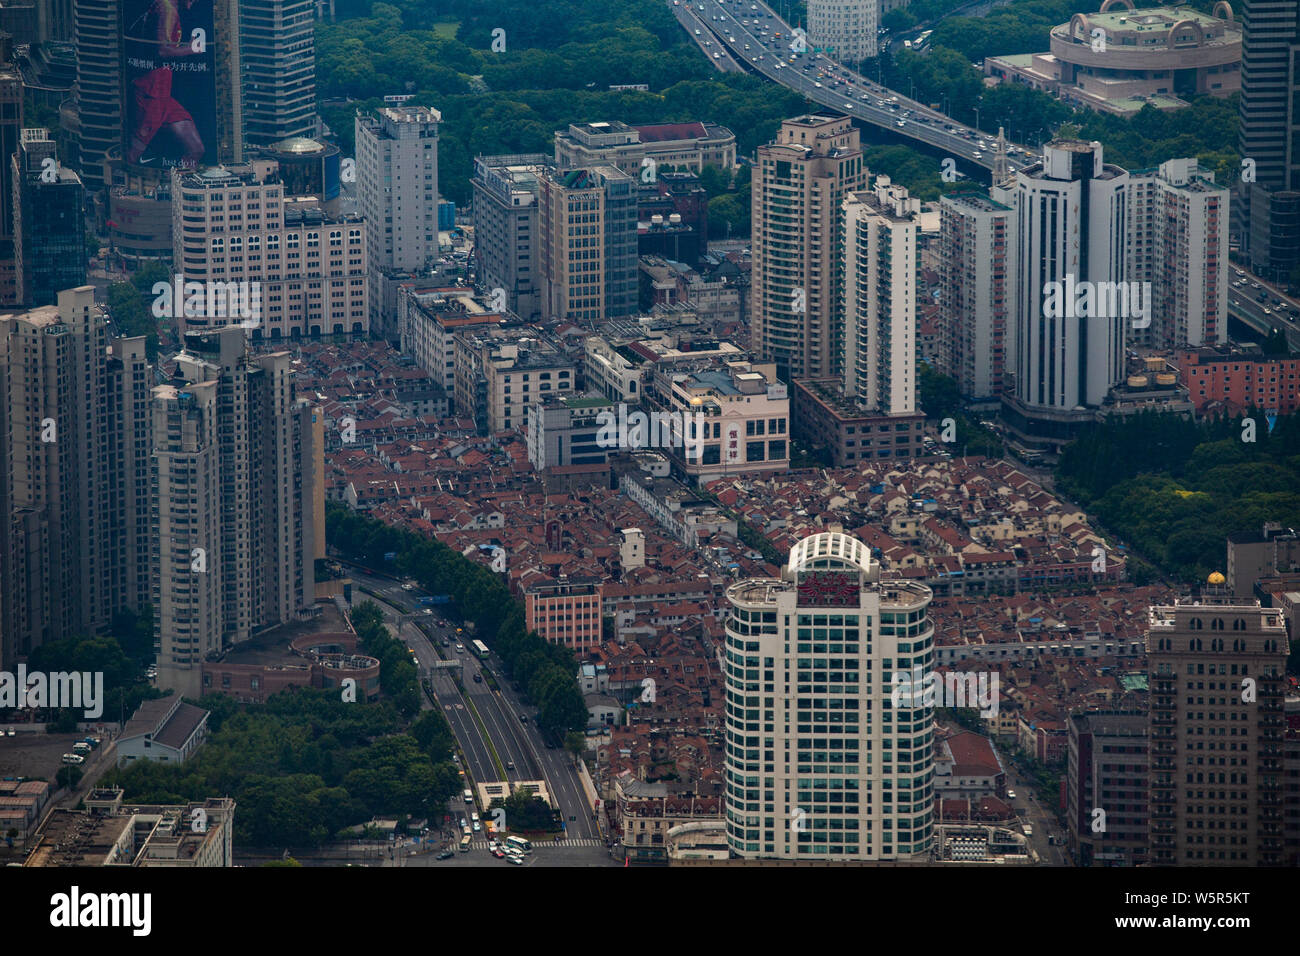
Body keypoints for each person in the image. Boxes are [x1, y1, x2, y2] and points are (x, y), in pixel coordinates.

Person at [125, 0, 206, 166]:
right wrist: (191, 49)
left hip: (163, 94)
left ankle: (181, 184)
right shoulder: (167, 9)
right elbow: (162, 51)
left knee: (196, 149)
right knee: (133, 156)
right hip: (151, 93)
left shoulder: (166, 8)